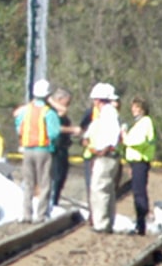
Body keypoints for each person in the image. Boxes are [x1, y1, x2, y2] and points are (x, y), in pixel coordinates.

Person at [14, 80, 60, 223]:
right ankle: (41, 215)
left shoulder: (25, 111)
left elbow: (18, 128)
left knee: (28, 183)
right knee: (44, 184)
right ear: (47, 95)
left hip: (27, 150)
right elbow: (54, 133)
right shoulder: (49, 112)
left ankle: (26, 214)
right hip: (44, 150)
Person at [84, 83, 124, 233]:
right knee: (107, 190)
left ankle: (101, 224)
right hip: (106, 155)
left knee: (99, 189)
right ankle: (105, 222)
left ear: (99, 99)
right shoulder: (106, 113)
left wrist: (104, 149)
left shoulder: (109, 113)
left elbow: (113, 134)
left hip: (106, 156)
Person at [123, 97, 156, 235]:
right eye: (133, 107)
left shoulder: (145, 122)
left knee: (139, 192)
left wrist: (125, 137)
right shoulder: (139, 123)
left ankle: (141, 224)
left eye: (137, 107)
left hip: (140, 161)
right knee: (138, 192)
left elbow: (139, 141)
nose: (134, 110)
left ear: (143, 109)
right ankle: (140, 222)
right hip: (136, 162)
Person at [48, 87, 80, 209]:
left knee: (61, 177)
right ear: (60, 99)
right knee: (55, 177)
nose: (68, 105)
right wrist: (72, 130)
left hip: (63, 148)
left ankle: (55, 201)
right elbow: (55, 128)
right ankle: (51, 202)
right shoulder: (51, 112)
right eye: (67, 101)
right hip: (54, 149)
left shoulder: (62, 113)